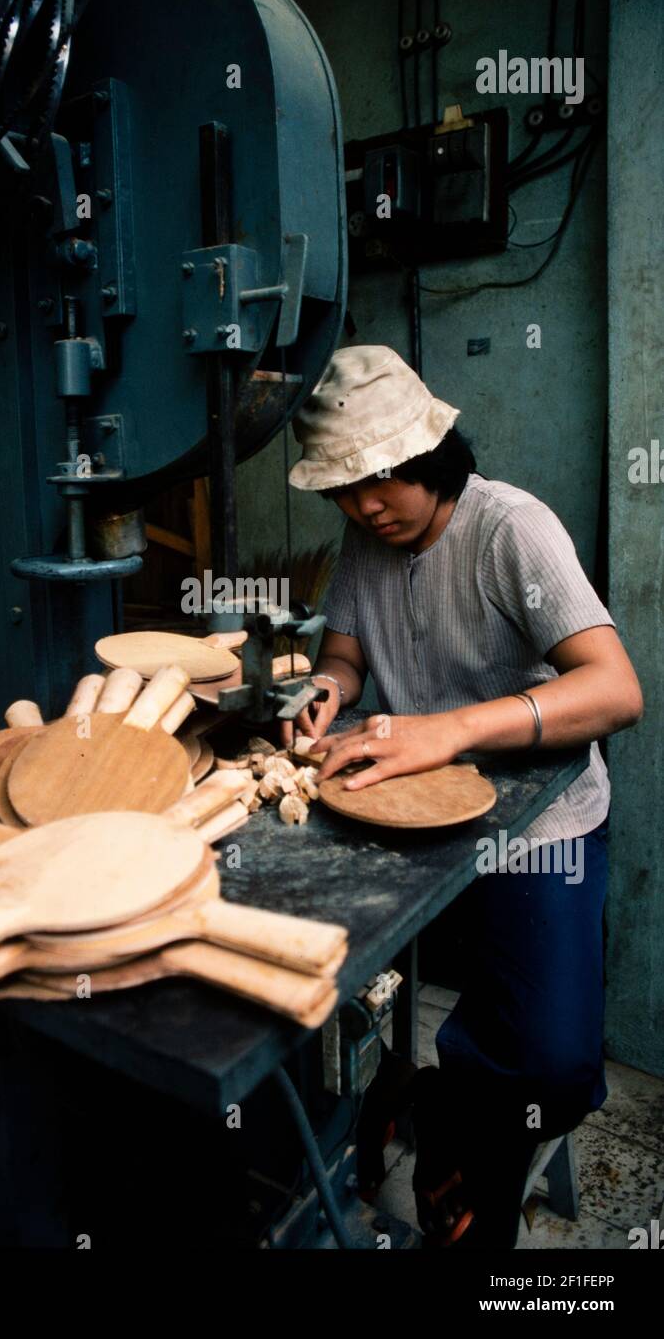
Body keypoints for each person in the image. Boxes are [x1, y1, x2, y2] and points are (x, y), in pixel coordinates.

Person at [287, 345, 643, 1247]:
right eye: (345, 489)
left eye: (383, 479)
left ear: (431, 453)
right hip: (418, 826)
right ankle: (417, 1133)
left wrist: (449, 727)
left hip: (539, 833)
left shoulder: (510, 528)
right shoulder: (366, 542)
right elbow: (348, 653)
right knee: (310, 983)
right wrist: (328, 690)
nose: (366, 504)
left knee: (558, 1067)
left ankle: (447, 1118)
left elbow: (614, 690)